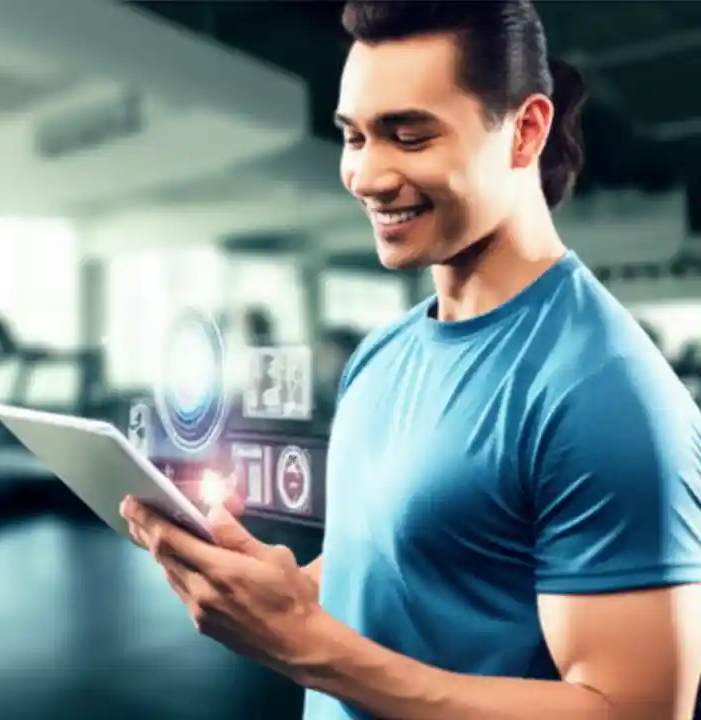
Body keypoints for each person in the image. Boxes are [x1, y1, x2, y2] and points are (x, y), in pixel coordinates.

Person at [120, 2, 701, 718]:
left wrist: (304, 645)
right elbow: (397, 568)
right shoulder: (382, 355)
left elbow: (632, 711)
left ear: (526, 130)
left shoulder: (606, 393)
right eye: (353, 136)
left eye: (408, 135)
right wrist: (288, 591)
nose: (365, 174)